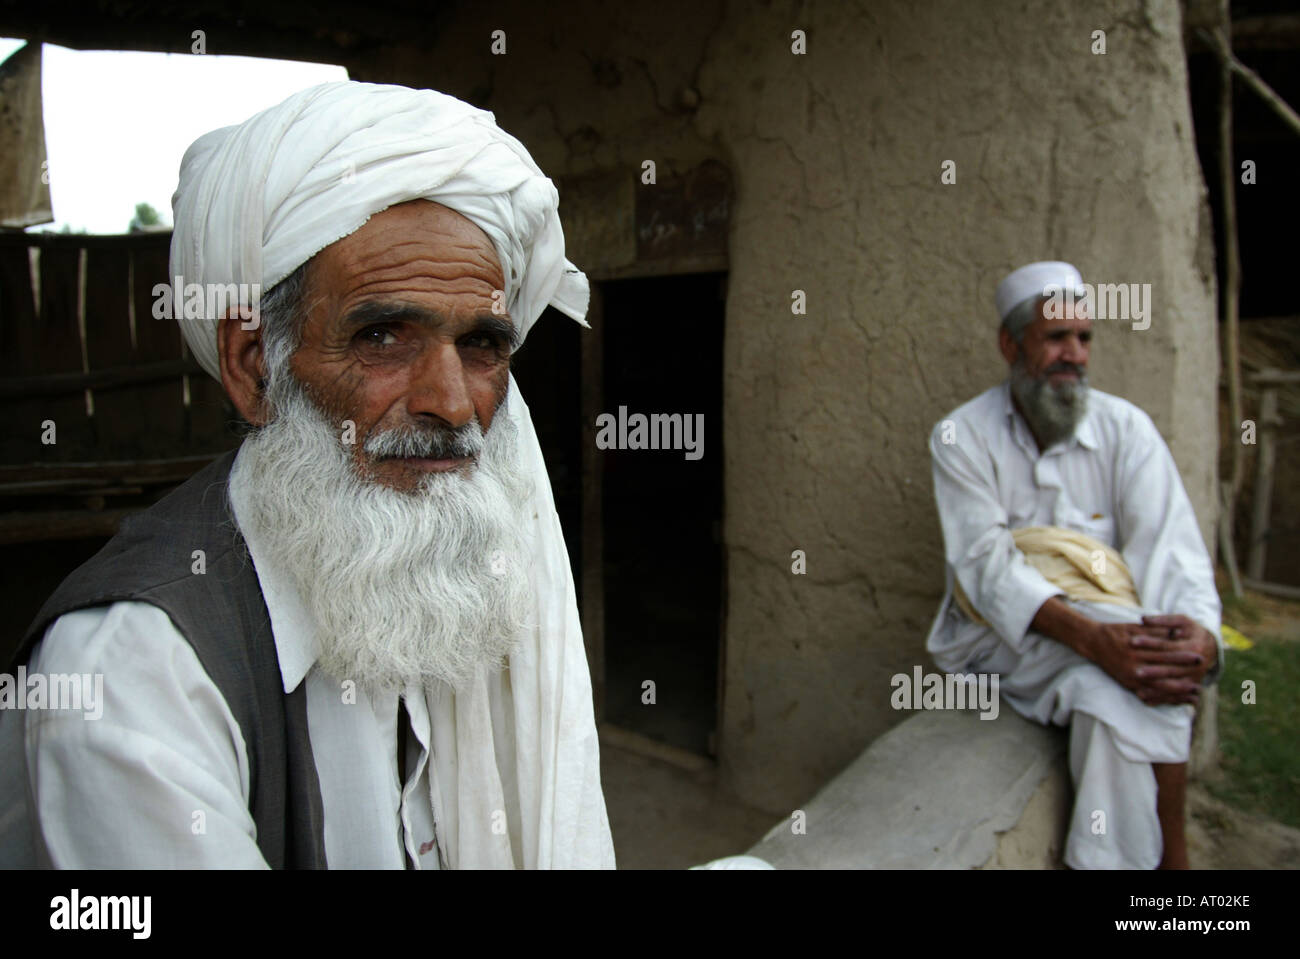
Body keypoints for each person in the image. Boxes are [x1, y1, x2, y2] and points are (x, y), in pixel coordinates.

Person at [0, 81, 615, 869]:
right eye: (385, 335)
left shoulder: (446, 572)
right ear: (255, 368)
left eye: (483, 345)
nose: (453, 403)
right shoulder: (130, 678)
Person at [925, 260, 1222, 869]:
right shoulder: (960, 437)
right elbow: (985, 569)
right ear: (1011, 344)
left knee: (1124, 685)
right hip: (997, 638)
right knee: (1127, 682)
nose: (1075, 355)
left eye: (1084, 339)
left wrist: (1200, 641)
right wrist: (1092, 637)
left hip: (1114, 633)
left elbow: (1172, 549)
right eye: (1056, 338)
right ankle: (1173, 864)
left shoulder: (1127, 431)